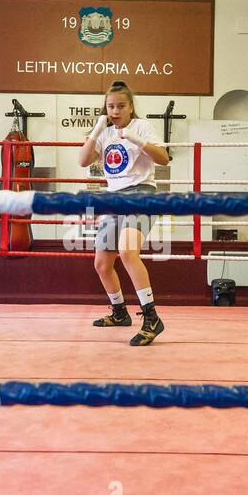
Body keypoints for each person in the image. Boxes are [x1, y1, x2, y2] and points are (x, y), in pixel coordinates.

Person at [78, 80, 171, 346]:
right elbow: (83, 160)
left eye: (121, 105)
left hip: (142, 192)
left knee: (128, 252)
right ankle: (119, 312)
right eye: (111, 106)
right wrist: (96, 129)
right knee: (102, 263)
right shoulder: (105, 133)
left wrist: (136, 139)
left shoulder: (141, 126)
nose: (115, 110)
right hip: (114, 197)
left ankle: (151, 318)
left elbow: (163, 159)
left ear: (131, 107)